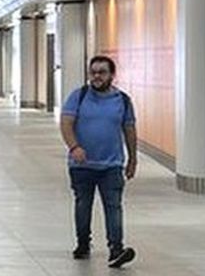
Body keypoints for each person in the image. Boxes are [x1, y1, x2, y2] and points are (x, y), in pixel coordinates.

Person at [59, 55, 137, 268]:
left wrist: (132, 159)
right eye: (93, 72)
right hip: (81, 165)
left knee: (114, 207)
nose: (96, 76)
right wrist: (74, 147)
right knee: (83, 204)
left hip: (112, 165)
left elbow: (129, 129)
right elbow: (66, 123)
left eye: (102, 72)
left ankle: (116, 249)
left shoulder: (123, 100)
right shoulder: (79, 96)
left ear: (112, 75)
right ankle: (83, 244)